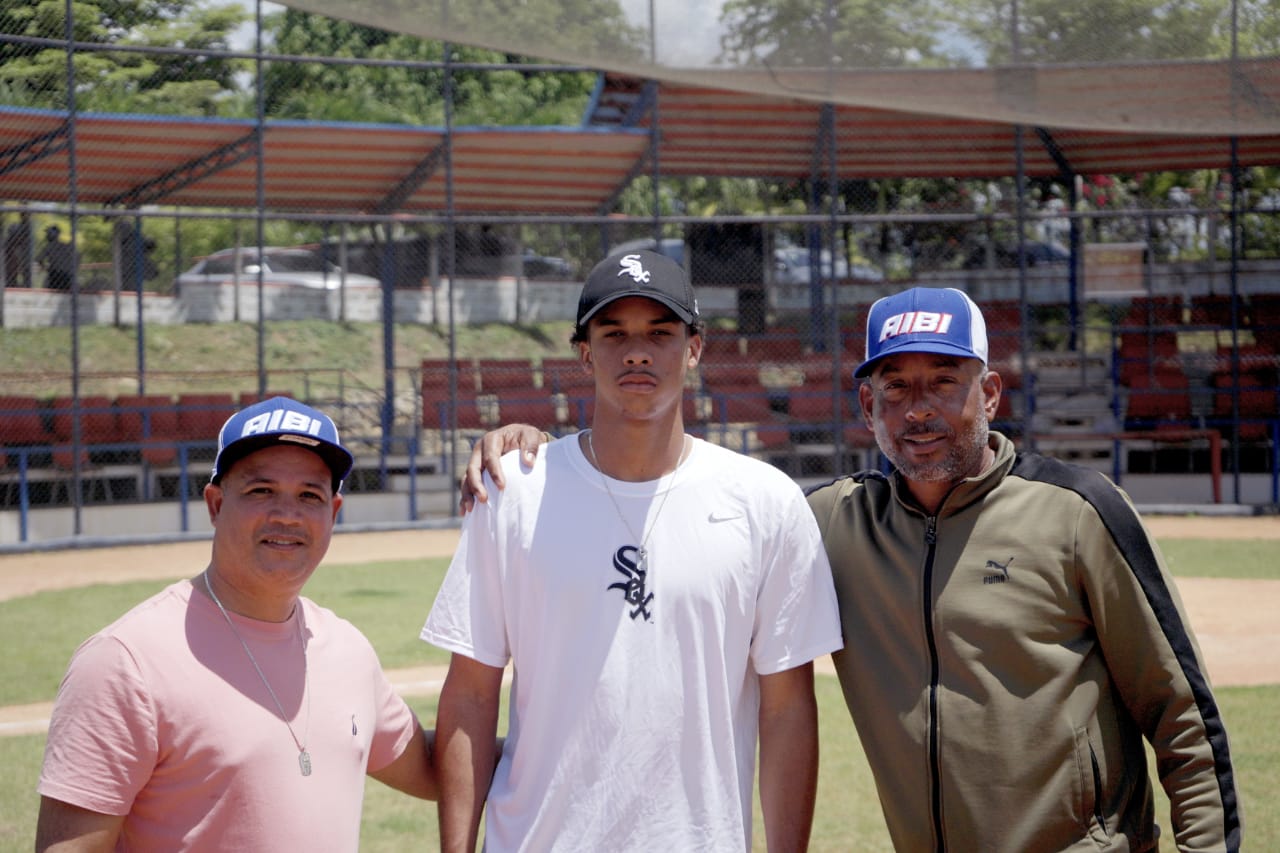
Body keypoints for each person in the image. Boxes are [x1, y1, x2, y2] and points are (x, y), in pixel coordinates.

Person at [461, 286, 1242, 852]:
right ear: (866, 407)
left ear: (990, 392)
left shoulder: (1076, 511)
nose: (920, 408)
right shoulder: (829, 522)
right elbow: (701, 507)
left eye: (944, 381)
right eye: (895, 387)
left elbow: (1183, 718)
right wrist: (539, 450)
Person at [423, 249, 842, 852]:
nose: (637, 351)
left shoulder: (765, 501)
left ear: (694, 348)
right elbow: (470, 692)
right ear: (585, 352)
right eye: (614, 333)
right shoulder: (515, 494)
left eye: (660, 333)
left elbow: (787, 710)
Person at [37, 397, 438, 851]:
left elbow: (432, 768)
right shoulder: (124, 661)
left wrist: (525, 444)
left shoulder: (348, 649)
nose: (287, 514)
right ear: (215, 503)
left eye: (310, 495)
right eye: (261, 491)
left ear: (334, 513)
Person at [36, 224, 75, 291]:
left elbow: (38, 259)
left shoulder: (49, 246)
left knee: (45, 286)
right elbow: (76, 256)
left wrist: (45, 267)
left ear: (52, 235)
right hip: (67, 276)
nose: (46, 236)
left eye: (48, 233)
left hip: (54, 277)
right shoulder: (65, 246)